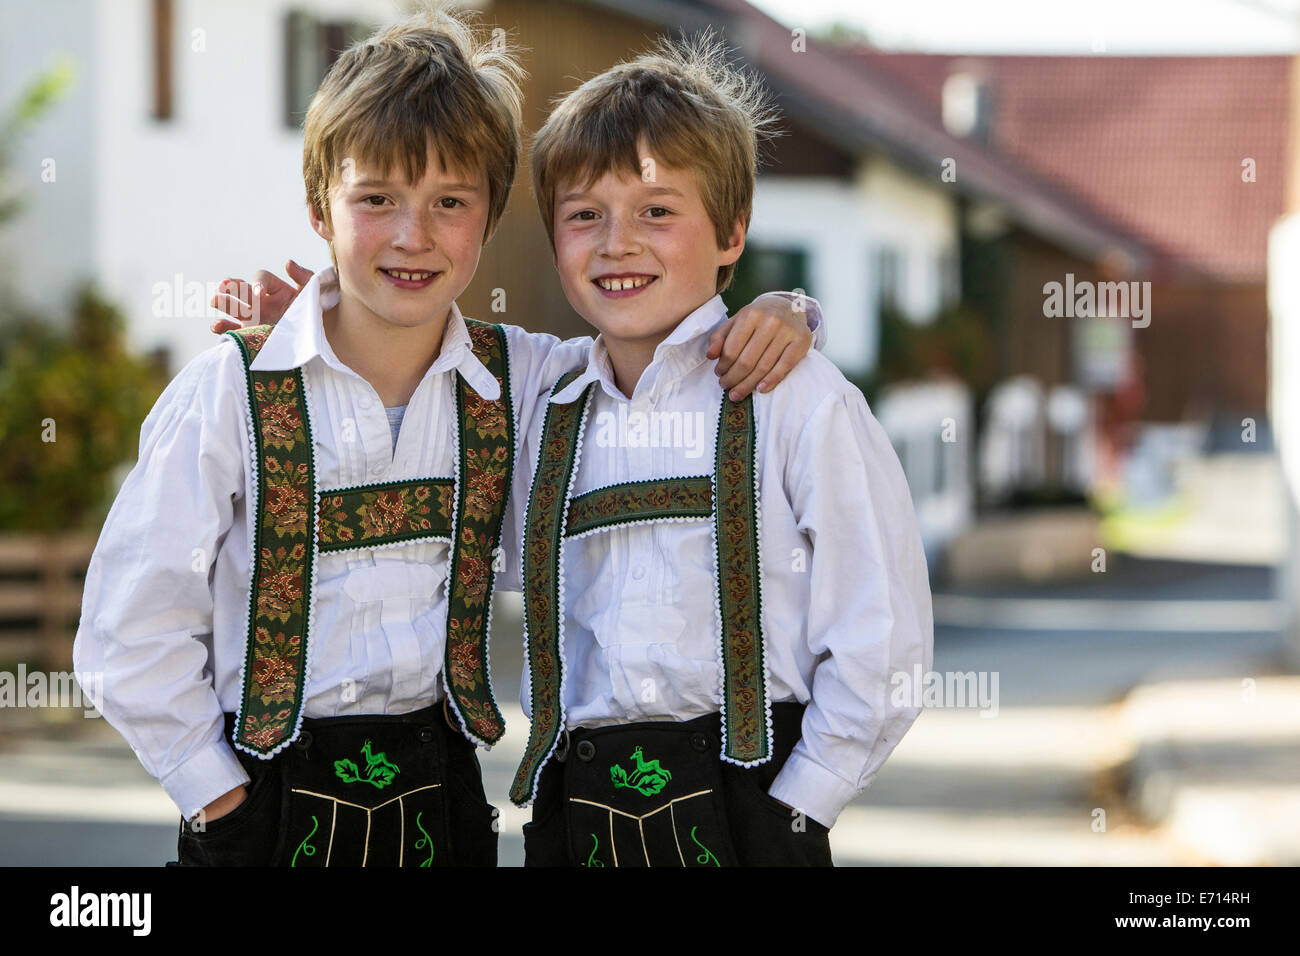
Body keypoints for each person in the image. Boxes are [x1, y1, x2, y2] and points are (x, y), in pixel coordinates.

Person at [74, 5, 820, 868]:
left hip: (441, 808)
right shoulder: (229, 393)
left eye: (450, 202)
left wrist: (786, 312)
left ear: (492, 217)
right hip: (263, 813)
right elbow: (128, 628)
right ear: (321, 208)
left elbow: (657, 345)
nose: (411, 235)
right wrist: (222, 803)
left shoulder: (529, 381)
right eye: (376, 200)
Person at [506, 33, 935, 867]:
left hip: (754, 811)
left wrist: (801, 805)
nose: (616, 243)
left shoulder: (795, 396)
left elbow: (883, 633)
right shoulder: (541, 397)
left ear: (732, 232)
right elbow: (425, 348)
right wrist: (326, 305)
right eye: (583, 214)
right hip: (574, 817)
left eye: (657, 212)